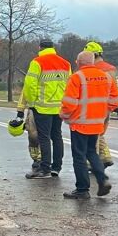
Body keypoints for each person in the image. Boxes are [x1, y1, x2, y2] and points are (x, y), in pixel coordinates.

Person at [60, 50, 118, 199]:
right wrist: (102, 112)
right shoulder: (106, 77)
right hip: (97, 123)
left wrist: (64, 116)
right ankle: (102, 179)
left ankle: (82, 189)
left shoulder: (77, 77)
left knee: (79, 156)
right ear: (92, 62)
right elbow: (114, 101)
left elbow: (70, 103)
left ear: (78, 62)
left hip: (80, 124)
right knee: (91, 152)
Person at [23, 40, 71, 179]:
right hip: (59, 107)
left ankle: (45, 169)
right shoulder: (65, 63)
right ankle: (57, 167)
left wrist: (32, 103)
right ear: (53, 48)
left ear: (40, 48)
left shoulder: (37, 62)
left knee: (44, 138)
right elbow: (69, 85)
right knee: (57, 136)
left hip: (42, 107)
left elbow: (30, 85)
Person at [84, 41, 116, 167]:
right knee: (100, 132)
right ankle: (106, 157)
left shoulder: (93, 69)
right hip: (107, 106)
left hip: (94, 106)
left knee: (93, 134)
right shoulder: (111, 68)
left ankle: (92, 162)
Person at [15, 92, 42, 172]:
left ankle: (43, 159)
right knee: (33, 135)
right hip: (34, 109)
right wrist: (20, 111)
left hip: (50, 110)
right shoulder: (30, 78)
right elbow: (25, 92)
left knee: (46, 137)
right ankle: (36, 158)